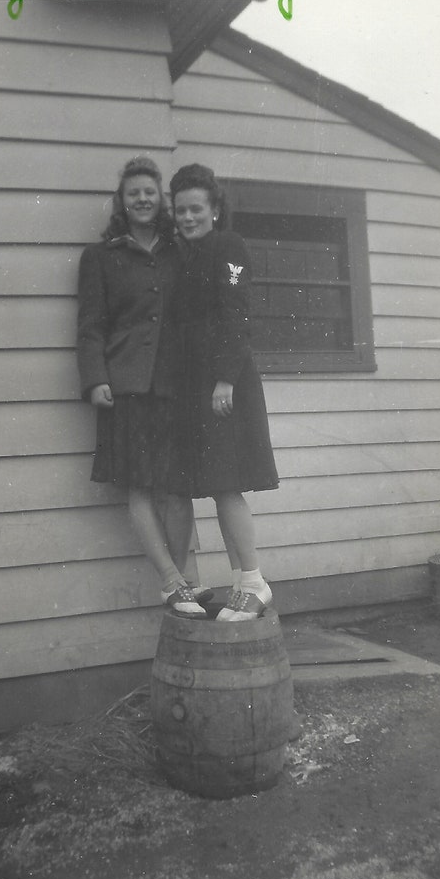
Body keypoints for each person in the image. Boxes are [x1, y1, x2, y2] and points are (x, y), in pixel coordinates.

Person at [76, 156, 208, 618]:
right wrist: (95, 379)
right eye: (134, 193)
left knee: (178, 486)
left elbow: (230, 274)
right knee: (141, 486)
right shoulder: (101, 258)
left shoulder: (184, 250)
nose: (143, 199)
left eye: (150, 192)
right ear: (122, 201)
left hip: (178, 385)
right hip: (126, 386)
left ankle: (187, 578)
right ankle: (171, 582)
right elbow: (91, 326)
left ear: (162, 199)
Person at [169, 163, 280, 622]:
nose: (188, 217)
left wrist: (225, 379)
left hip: (225, 385)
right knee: (217, 484)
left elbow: (237, 314)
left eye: (196, 208)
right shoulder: (184, 254)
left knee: (228, 484)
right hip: (198, 386)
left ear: (215, 209)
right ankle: (240, 583)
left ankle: (254, 581)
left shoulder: (228, 248)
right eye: (180, 211)